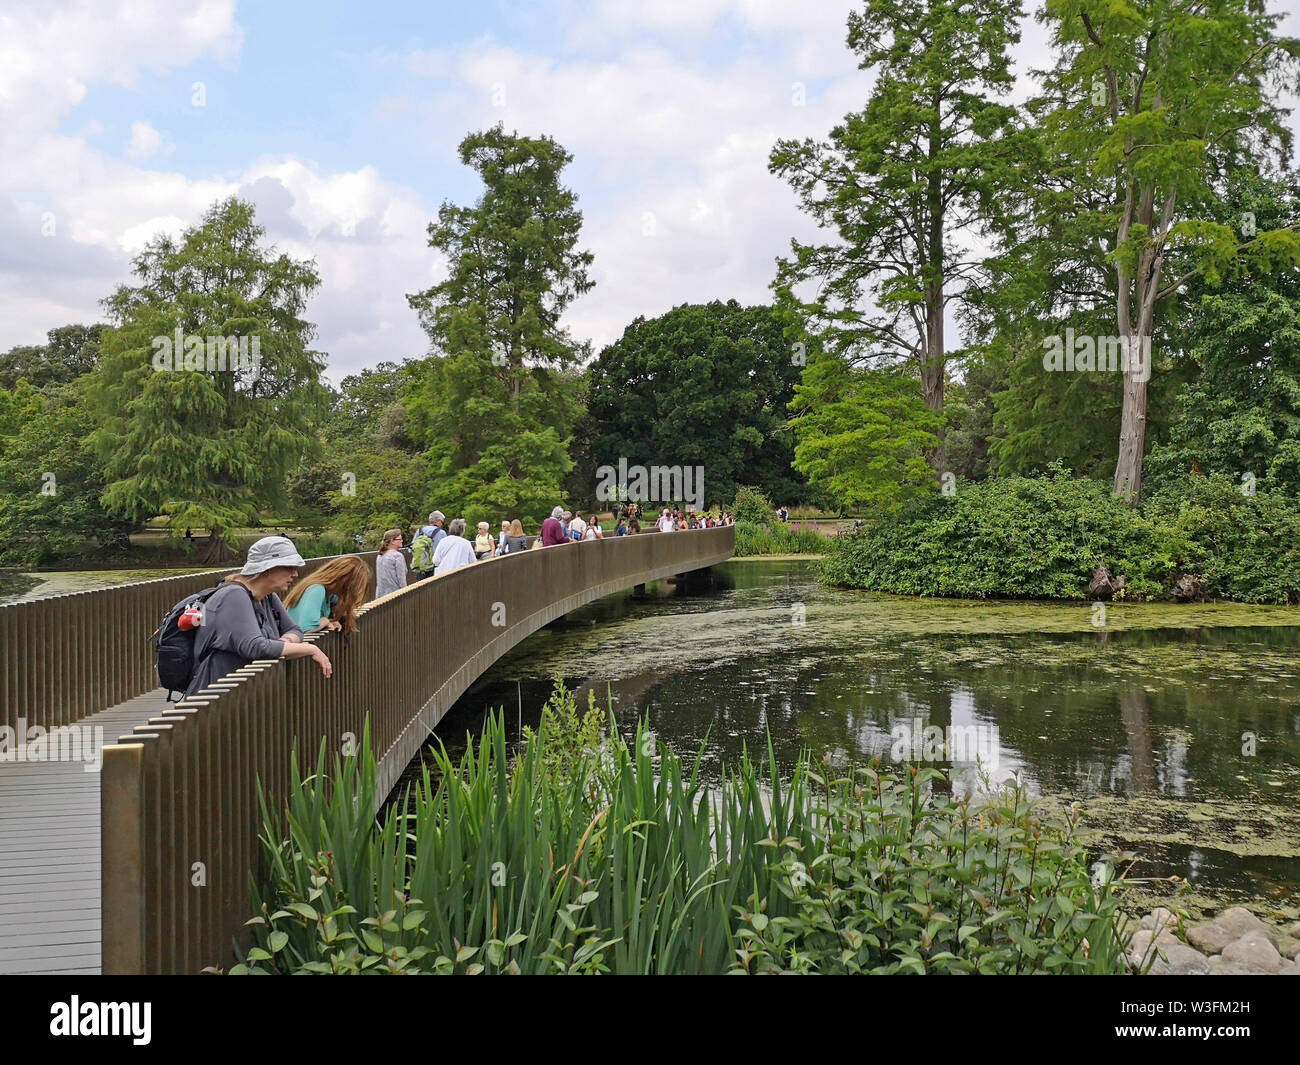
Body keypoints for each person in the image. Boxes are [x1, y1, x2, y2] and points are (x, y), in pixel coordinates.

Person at [184, 536, 332, 698]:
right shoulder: (233, 596)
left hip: (241, 695)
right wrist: (310, 648)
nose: (295, 574)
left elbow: (295, 630)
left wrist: (282, 643)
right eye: (289, 567)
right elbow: (255, 647)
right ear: (267, 569)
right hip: (213, 699)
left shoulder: (268, 596)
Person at [284, 555, 369, 634]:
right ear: (344, 580)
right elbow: (306, 627)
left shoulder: (330, 594)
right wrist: (325, 621)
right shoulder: (317, 589)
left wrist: (332, 621)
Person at [375, 529, 407, 598]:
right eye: (400, 539)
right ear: (392, 541)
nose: (402, 541)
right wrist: (406, 594)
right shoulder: (397, 556)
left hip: (380, 595)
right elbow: (401, 579)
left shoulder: (380, 555)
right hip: (394, 595)